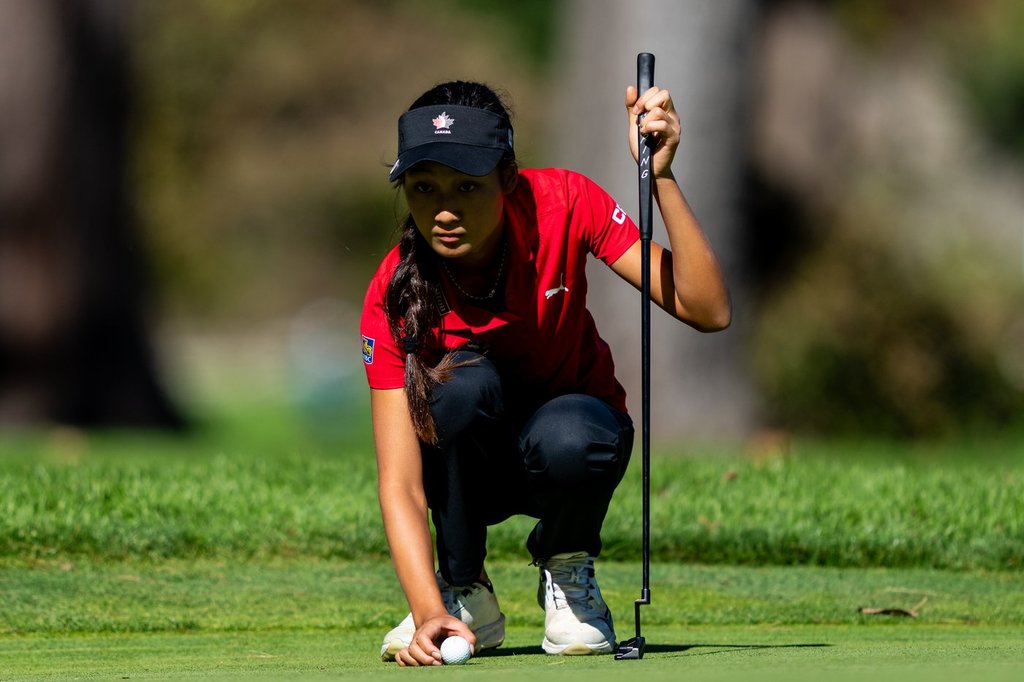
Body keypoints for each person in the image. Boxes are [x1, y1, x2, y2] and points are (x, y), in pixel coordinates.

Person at [360, 79, 730, 666]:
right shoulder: (393, 289)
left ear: (507, 180)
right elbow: (400, 481)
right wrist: (427, 607)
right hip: (467, 470)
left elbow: (708, 309)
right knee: (459, 387)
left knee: (571, 432)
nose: (445, 210)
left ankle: (567, 569)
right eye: (424, 187)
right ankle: (464, 590)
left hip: (570, 445)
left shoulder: (565, 203)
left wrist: (659, 176)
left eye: (467, 187)